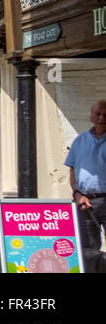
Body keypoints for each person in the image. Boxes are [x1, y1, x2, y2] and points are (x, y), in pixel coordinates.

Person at [65, 99, 106, 273]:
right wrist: (77, 194)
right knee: (88, 250)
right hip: (86, 202)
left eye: (105, 115)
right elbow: (73, 170)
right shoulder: (79, 141)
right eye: (98, 114)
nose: (102, 118)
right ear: (91, 116)